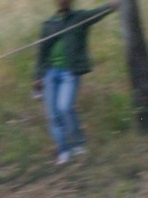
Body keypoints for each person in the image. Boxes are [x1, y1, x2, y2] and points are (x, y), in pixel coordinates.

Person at [33, 1, 117, 166]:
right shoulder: (48, 24)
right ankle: (64, 150)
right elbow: (41, 54)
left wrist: (112, 6)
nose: (62, 2)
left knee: (65, 107)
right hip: (50, 73)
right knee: (53, 115)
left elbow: (96, 13)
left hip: (69, 72)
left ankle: (78, 143)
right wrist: (37, 77)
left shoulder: (79, 18)